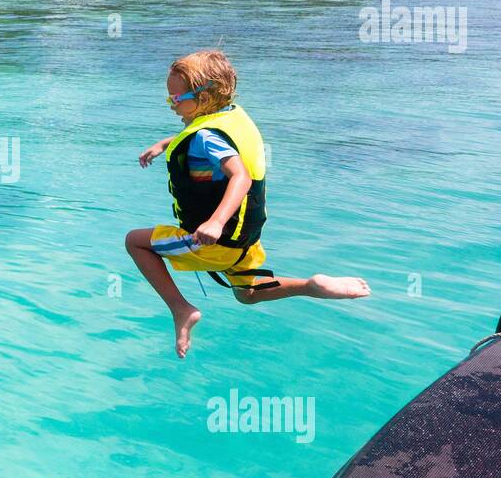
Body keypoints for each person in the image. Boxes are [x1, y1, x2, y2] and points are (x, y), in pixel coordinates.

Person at [125, 50, 370, 358]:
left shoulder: (205, 138)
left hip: (214, 239)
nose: (170, 104)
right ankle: (311, 285)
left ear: (203, 96)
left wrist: (214, 222)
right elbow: (203, 139)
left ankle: (180, 308)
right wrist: (165, 144)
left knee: (135, 242)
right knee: (249, 294)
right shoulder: (231, 117)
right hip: (245, 239)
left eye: (174, 99)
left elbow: (239, 176)